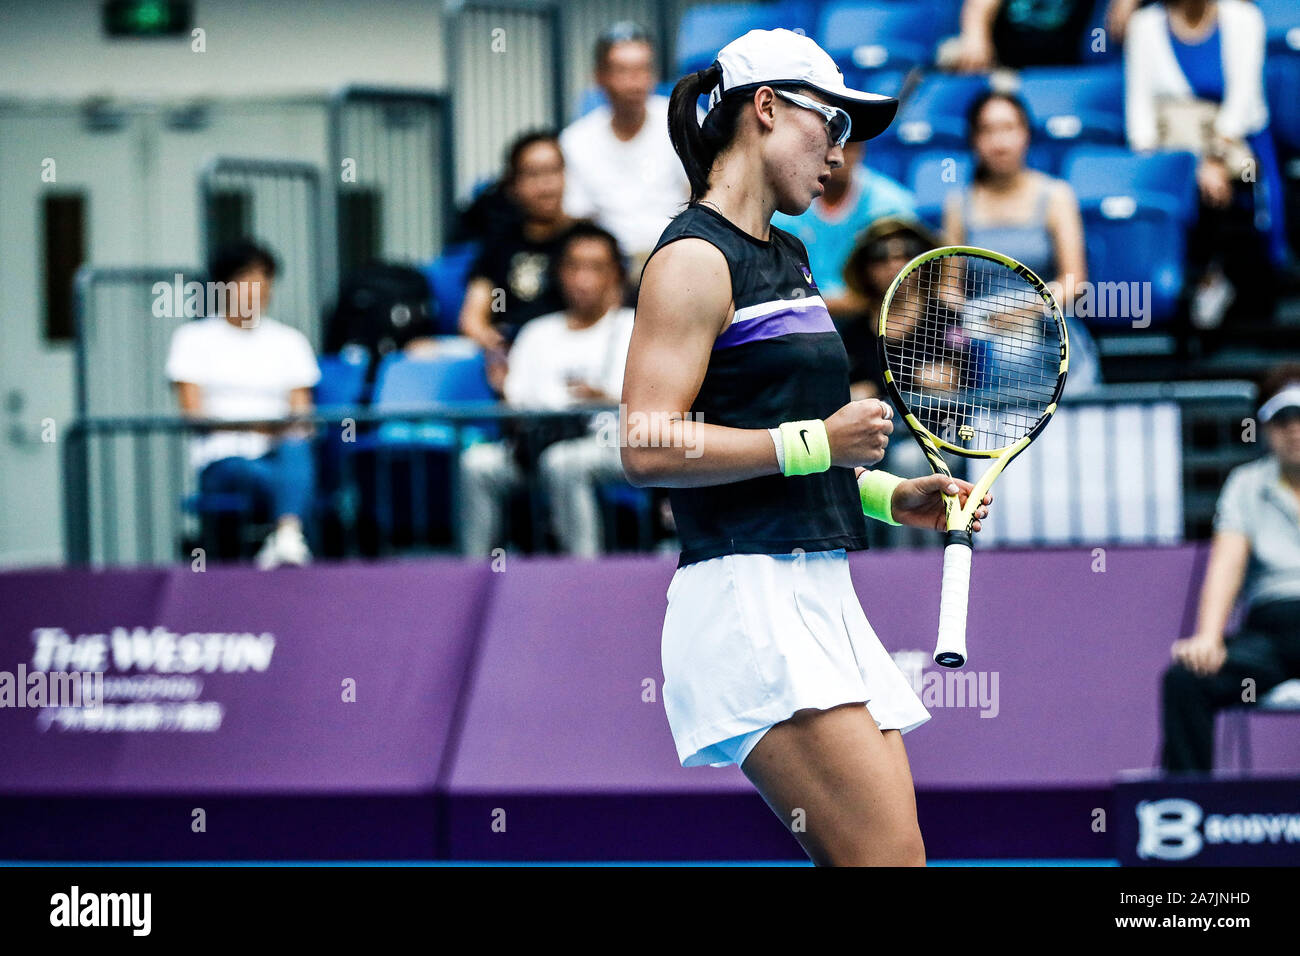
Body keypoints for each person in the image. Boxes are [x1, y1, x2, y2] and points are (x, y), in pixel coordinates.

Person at [621, 28, 993, 867]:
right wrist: (813, 441)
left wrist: (890, 496)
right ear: (765, 109)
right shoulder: (692, 257)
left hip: (817, 588)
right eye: (831, 123)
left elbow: (799, 449)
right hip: (747, 595)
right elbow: (645, 443)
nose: (840, 150)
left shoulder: (789, 253)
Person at [458, 222, 633, 557]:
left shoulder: (634, 327)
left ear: (615, 275)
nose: (583, 279)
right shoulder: (536, 333)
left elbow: (653, 403)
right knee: (476, 464)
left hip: (613, 447)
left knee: (563, 463)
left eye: (595, 268)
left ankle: (582, 574)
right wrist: (502, 389)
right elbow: (518, 403)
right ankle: (475, 572)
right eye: (574, 267)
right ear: (560, 272)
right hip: (540, 444)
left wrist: (603, 399)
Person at [1161, 363, 1300, 772]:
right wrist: (1208, 637)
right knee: (1186, 682)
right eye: (1283, 419)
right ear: (1266, 429)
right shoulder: (1246, 484)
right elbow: (1227, 566)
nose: (1294, 429)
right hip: (1271, 639)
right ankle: (1189, 811)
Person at [1124, 0, 1286, 329]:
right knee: (1182, 186)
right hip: (1170, 147)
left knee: (1238, 178)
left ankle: (1221, 278)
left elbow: (1243, 100)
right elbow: (1139, 112)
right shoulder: (1144, 25)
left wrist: (1213, 157)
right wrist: (1184, 164)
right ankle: (1189, 285)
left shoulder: (1245, 18)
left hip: (1236, 141)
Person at [165, 240, 320, 569]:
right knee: (281, 476)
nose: (258, 287)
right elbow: (193, 414)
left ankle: (286, 537)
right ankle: (289, 532)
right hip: (222, 461)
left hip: (280, 455)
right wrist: (260, 425)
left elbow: (301, 416)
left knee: (295, 449)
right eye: (247, 278)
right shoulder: (192, 339)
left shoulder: (290, 341)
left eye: (265, 278)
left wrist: (274, 429)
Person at [944, 89, 1101, 393]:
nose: (999, 142)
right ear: (974, 139)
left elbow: (1075, 281)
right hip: (982, 345)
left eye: (1008, 128)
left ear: (1026, 135)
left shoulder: (1057, 196)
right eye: (988, 130)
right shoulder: (958, 205)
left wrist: (1022, 313)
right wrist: (977, 319)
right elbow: (950, 287)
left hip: (1048, 334)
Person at [560, 22, 690, 279]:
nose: (635, 82)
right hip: (610, 270)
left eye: (643, 69)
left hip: (680, 255)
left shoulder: (681, 119)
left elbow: (705, 195)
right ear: (599, 77)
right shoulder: (575, 141)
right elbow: (579, 220)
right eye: (622, 71)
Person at [458, 131, 573, 383]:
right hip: (516, 365)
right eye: (533, 174)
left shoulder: (587, 241)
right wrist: (497, 346)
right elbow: (473, 319)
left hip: (576, 362)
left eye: (553, 171)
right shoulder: (499, 246)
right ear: (513, 185)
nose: (546, 185)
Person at [771, 139, 916, 317]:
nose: (838, 155)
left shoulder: (894, 206)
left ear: (861, 148)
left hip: (865, 326)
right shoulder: (780, 206)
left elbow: (902, 286)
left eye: (849, 144)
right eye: (831, 142)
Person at [837, 215, 942, 400]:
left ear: (925, 262)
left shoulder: (945, 317)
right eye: (879, 255)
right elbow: (851, 393)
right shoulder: (851, 331)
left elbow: (948, 380)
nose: (895, 264)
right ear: (865, 269)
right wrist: (917, 377)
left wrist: (875, 387)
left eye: (909, 253)